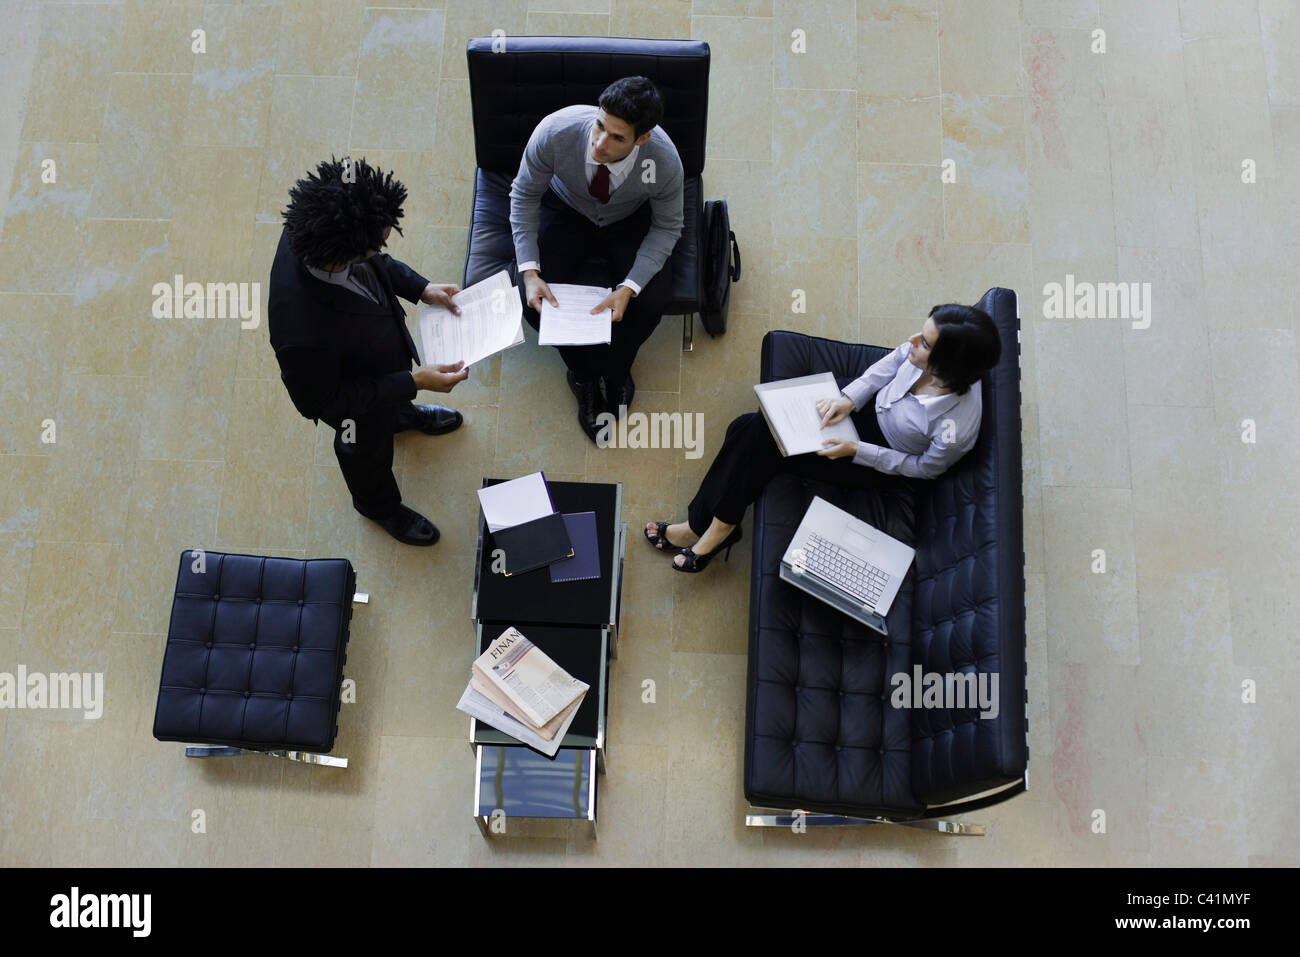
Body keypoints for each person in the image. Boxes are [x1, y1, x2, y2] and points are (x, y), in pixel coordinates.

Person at [644, 304, 1003, 572]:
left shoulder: (956, 429)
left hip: (875, 455)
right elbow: (889, 364)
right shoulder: (919, 352)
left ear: (946, 366)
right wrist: (849, 398)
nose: (911, 341)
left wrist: (857, 450)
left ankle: (711, 526)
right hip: (859, 405)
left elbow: (924, 469)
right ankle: (714, 526)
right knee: (749, 428)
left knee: (752, 430)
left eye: (923, 343)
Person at [269, 157, 470, 547]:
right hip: (355, 409)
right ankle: (378, 507)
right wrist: (412, 382)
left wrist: (420, 288)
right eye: (374, 246)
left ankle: (401, 415)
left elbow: (378, 263)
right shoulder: (300, 332)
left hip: (379, 364)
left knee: (391, 407)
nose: (380, 249)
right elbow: (321, 402)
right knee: (365, 453)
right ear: (342, 256)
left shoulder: (322, 226)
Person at [510, 76, 684, 442]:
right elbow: (523, 196)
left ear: (642, 139)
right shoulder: (554, 133)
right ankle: (583, 375)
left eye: (617, 137)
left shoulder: (664, 161)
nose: (600, 144)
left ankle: (617, 372)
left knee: (651, 300)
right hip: (566, 208)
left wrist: (629, 287)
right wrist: (530, 272)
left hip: (628, 216)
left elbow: (668, 226)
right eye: (600, 126)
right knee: (530, 299)